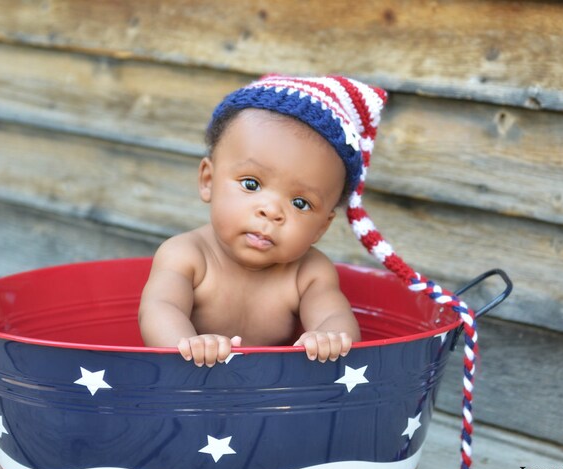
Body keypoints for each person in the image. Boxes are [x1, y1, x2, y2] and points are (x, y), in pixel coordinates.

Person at [139, 75, 387, 367]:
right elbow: (159, 308)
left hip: (272, 400)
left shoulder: (308, 272)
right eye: (251, 184)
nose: (271, 211)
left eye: (300, 203)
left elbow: (335, 317)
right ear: (208, 180)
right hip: (190, 391)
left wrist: (328, 336)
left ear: (322, 226)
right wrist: (188, 344)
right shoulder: (186, 255)